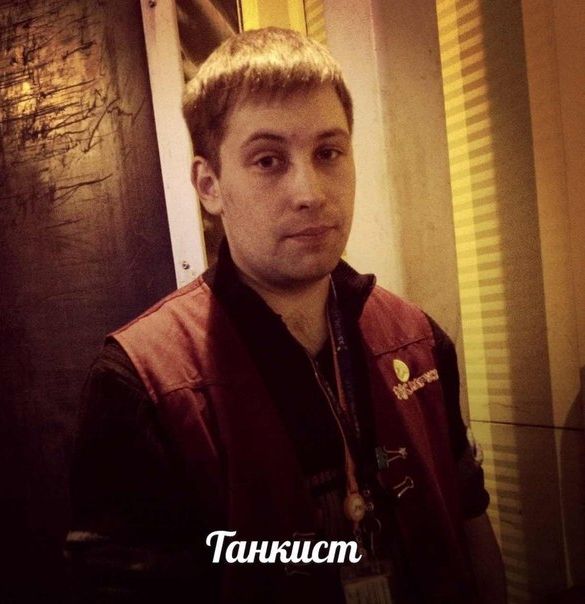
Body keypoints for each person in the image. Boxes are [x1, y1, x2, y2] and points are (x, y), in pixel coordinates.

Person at [66, 27, 506, 604]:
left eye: (328, 152)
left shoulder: (417, 340)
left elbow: (469, 517)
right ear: (209, 185)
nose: (310, 192)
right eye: (269, 160)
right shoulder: (141, 384)